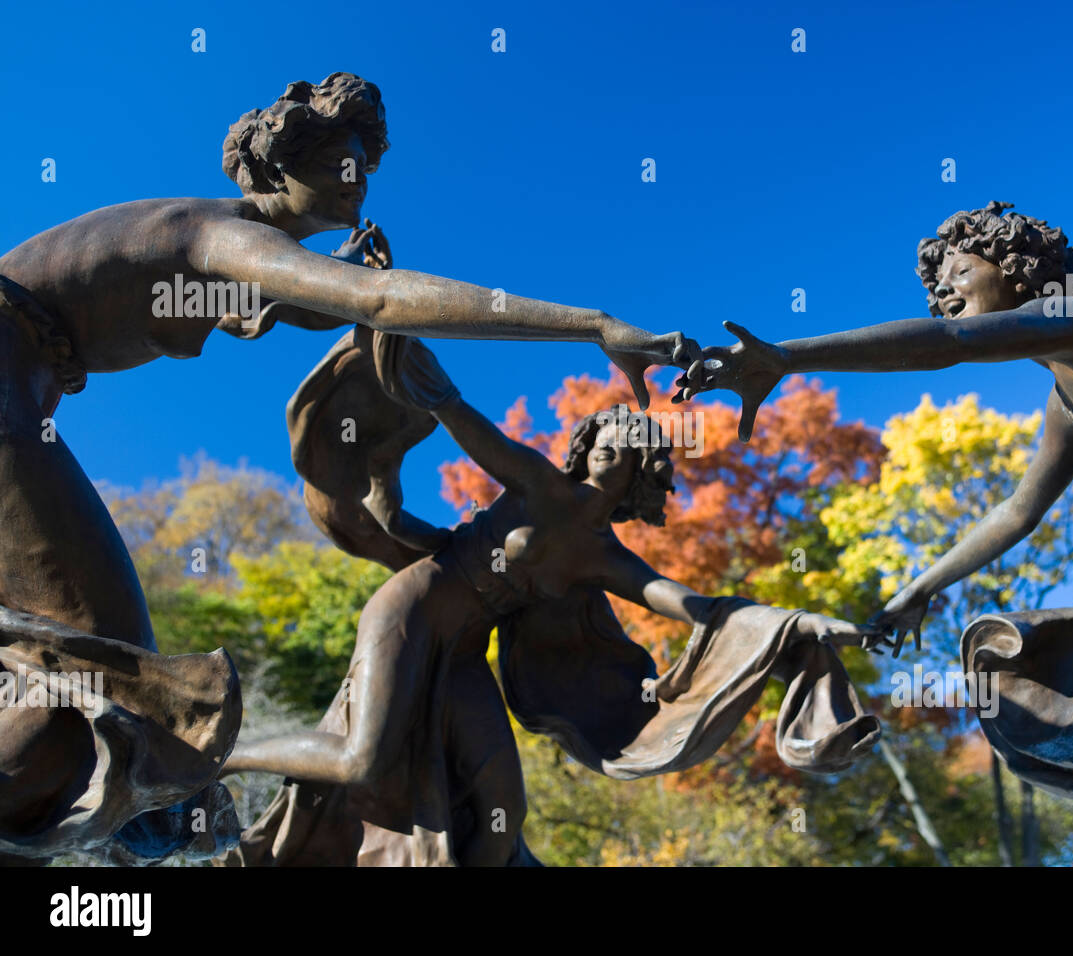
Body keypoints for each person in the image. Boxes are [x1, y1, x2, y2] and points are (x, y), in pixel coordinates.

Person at [0, 71, 694, 860]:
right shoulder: (222, 236)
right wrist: (594, 325)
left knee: (86, 686)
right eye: (343, 162)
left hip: (16, 395)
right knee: (108, 685)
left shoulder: (226, 245)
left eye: (368, 165)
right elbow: (384, 303)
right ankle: (148, 806)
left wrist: (355, 293)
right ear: (281, 163)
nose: (359, 183)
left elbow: (324, 300)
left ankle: (144, 807)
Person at [681, 201, 1073, 865]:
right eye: (934, 285)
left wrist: (784, 357)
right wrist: (921, 587)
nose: (942, 291)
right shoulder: (1069, 402)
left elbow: (943, 348)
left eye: (959, 270)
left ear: (1022, 269)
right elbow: (1017, 511)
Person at [218, 333, 880, 865]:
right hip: (410, 611)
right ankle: (216, 753)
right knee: (362, 759)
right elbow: (468, 424)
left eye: (625, 448)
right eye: (603, 438)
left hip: (462, 655)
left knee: (503, 809)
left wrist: (797, 621)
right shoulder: (538, 482)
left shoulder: (604, 558)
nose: (607, 448)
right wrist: (407, 348)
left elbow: (696, 606)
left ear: (638, 475)